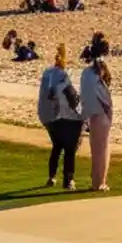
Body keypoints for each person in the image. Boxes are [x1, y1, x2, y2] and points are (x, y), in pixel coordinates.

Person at [37, 44, 84, 190]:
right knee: (70, 147)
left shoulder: (47, 74)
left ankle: (52, 177)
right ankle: (68, 180)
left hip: (46, 116)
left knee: (57, 145)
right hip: (58, 116)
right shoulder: (63, 77)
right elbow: (72, 97)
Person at [80, 53, 114, 192]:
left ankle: (96, 182)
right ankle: (100, 182)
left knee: (96, 150)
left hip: (92, 116)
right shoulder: (98, 79)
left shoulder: (86, 74)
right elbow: (107, 102)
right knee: (102, 149)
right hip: (101, 116)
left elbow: (83, 97)